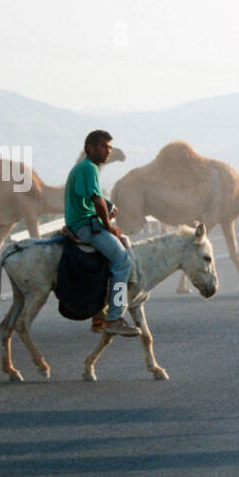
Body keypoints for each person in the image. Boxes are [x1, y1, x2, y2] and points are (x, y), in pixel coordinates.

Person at [65, 130, 140, 336]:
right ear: (90, 148)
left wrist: (108, 207)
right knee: (123, 261)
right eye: (104, 146)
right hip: (85, 226)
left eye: (109, 147)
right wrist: (109, 226)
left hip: (85, 221)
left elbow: (94, 198)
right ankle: (115, 317)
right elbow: (97, 201)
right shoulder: (88, 168)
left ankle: (100, 313)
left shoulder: (87, 169)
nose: (108, 151)